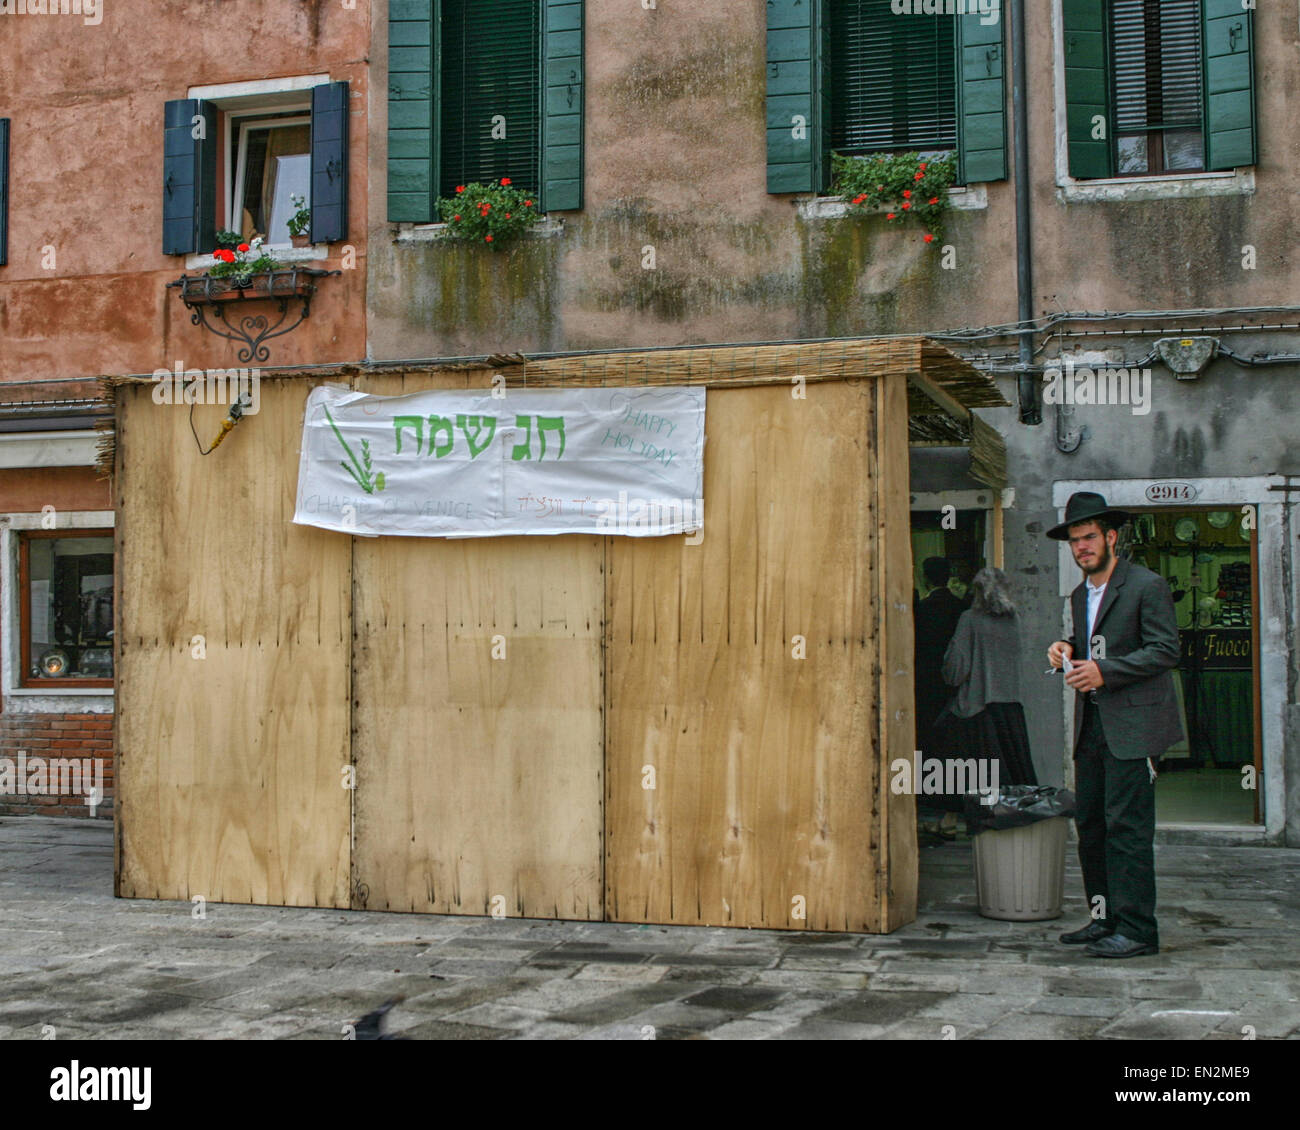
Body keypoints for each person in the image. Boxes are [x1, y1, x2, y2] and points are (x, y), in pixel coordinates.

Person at [1046, 492, 1184, 959]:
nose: (1081, 547)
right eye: (1073, 541)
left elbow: (1165, 650)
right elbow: (1088, 642)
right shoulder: (1079, 594)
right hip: (1092, 725)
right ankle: (1104, 918)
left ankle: (1139, 930)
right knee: (1092, 826)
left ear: (1110, 537)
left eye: (1088, 537)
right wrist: (1065, 648)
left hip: (1135, 727)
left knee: (1128, 829)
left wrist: (1106, 670)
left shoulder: (1147, 585)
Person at [937, 568, 1038, 820]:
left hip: (979, 707)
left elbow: (955, 669)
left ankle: (952, 818)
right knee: (1014, 781)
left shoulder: (969, 619)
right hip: (1011, 708)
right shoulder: (1015, 619)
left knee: (960, 767)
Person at [913, 557, 966, 757]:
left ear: (926, 578)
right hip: (955, 680)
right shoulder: (961, 608)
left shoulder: (921, 609)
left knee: (927, 733)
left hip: (926, 677)